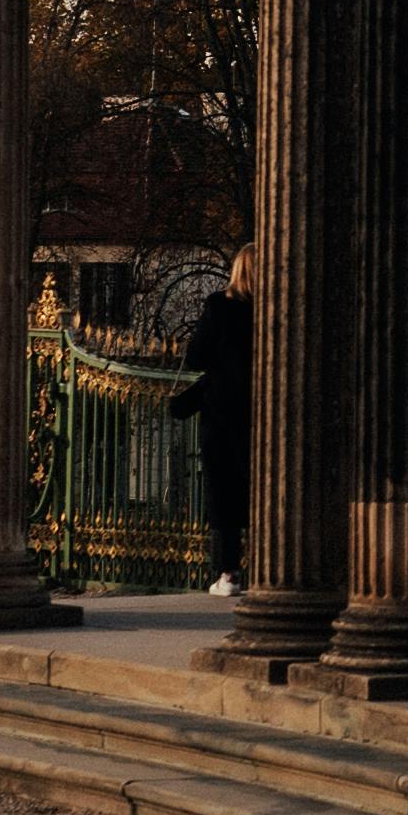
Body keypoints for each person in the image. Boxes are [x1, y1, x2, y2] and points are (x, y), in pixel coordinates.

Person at [171, 246, 254, 598]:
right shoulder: (274, 309)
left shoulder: (220, 307)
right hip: (261, 410)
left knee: (223, 493)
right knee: (258, 490)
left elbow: (196, 358)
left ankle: (228, 571)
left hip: (222, 412)